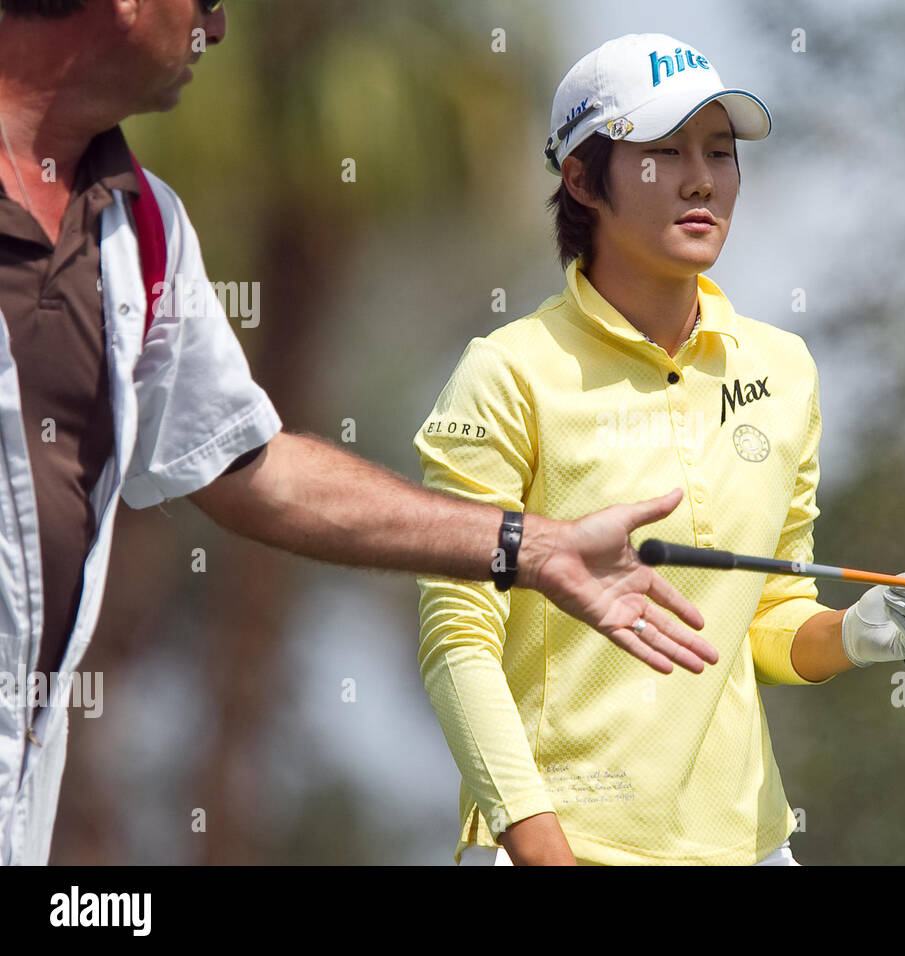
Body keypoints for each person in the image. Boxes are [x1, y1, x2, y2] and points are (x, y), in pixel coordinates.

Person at [0, 2, 716, 867]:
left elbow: (251, 470)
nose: (218, 31)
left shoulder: (141, 229)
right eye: (206, 5)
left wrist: (534, 547)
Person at [414, 32, 905, 866]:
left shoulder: (783, 370)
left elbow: (768, 616)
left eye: (719, 150)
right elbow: (459, 642)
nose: (702, 177)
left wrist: (855, 634)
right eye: (664, 152)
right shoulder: (508, 375)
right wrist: (541, 850)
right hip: (562, 846)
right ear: (582, 178)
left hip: (750, 845)